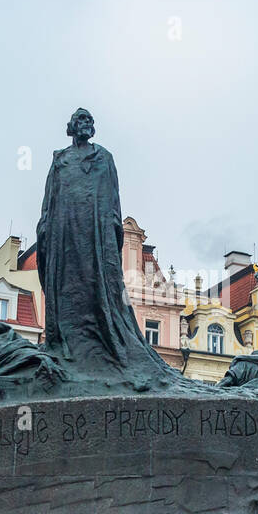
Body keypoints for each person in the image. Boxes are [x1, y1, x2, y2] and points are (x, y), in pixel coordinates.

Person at [36, 108, 171, 382]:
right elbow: (49, 200)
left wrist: (112, 230)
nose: (86, 124)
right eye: (81, 120)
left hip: (96, 234)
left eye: (90, 121)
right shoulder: (59, 160)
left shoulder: (104, 158)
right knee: (67, 287)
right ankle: (68, 345)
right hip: (66, 234)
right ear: (72, 127)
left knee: (102, 285)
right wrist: (45, 227)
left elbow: (113, 200)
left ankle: (106, 346)